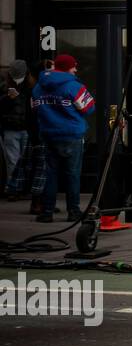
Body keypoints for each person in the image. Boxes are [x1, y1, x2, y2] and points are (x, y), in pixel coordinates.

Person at [31, 54, 96, 223]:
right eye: (74, 67)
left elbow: (34, 108)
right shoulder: (74, 86)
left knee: (51, 174)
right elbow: (89, 108)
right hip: (71, 135)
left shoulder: (39, 87)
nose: (76, 70)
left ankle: (47, 212)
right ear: (68, 68)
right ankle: (73, 211)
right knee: (72, 175)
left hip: (49, 135)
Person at [1, 60, 34, 198]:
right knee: (13, 161)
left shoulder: (31, 87)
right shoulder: (5, 87)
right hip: (11, 128)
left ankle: (23, 188)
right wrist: (7, 98)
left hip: (25, 128)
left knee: (26, 161)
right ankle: (13, 188)